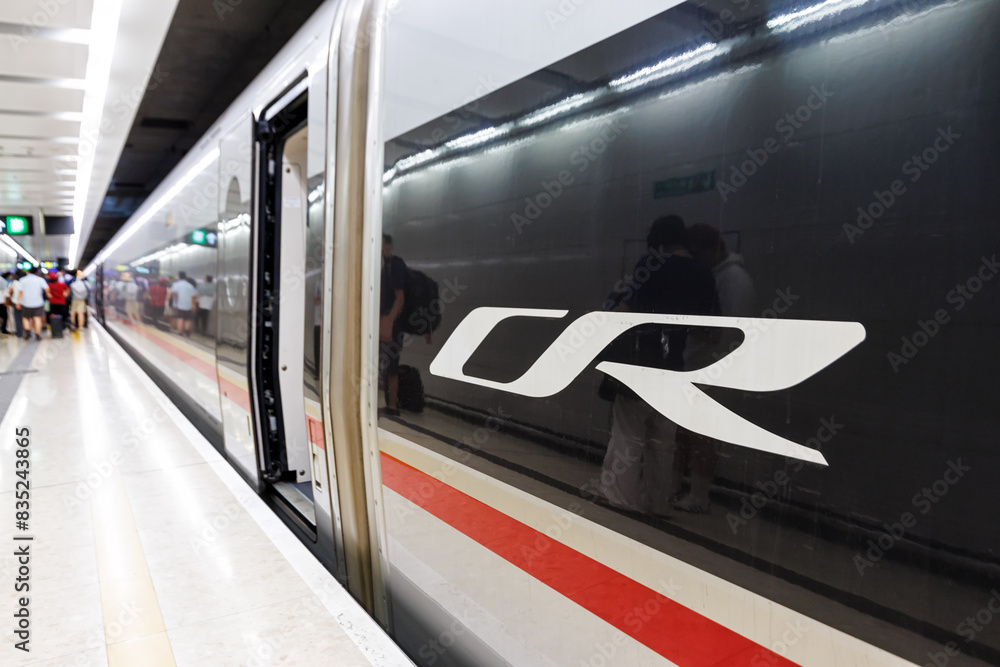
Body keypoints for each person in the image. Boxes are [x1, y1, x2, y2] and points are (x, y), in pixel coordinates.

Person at [598, 216, 719, 516]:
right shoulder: (703, 275)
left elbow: (625, 312)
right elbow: (712, 330)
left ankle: (622, 499)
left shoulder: (649, 265)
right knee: (664, 442)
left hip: (640, 364)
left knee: (628, 433)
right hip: (674, 367)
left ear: (659, 241)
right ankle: (658, 503)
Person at [379, 234, 407, 416]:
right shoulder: (384, 267)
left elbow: (400, 297)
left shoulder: (395, 265)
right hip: (384, 322)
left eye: (381, 244)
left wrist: (389, 321)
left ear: (388, 245)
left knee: (392, 366)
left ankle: (393, 406)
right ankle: (390, 403)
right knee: (386, 364)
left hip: (392, 325)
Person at [17, 267, 50, 340]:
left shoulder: (22, 280)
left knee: (25, 318)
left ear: (28, 271)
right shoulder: (40, 279)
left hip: (26, 303)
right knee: (37, 318)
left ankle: (28, 331)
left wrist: (18, 302)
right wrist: (48, 295)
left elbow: (20, 292)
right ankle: (37, 334)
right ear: (36, 272)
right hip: (38, 302)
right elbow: (47, 289)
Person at [168, 271, 197, 336]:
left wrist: (171, 299)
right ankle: (187, 331)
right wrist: (194, 305)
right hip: (188, 305)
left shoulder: (176, 284)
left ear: (179, 277)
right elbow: (194, 296)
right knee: (187, 319)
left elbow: (171, 293)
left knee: (180, 318)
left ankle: (180, 332)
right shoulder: (190, 285)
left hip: (179, 304)